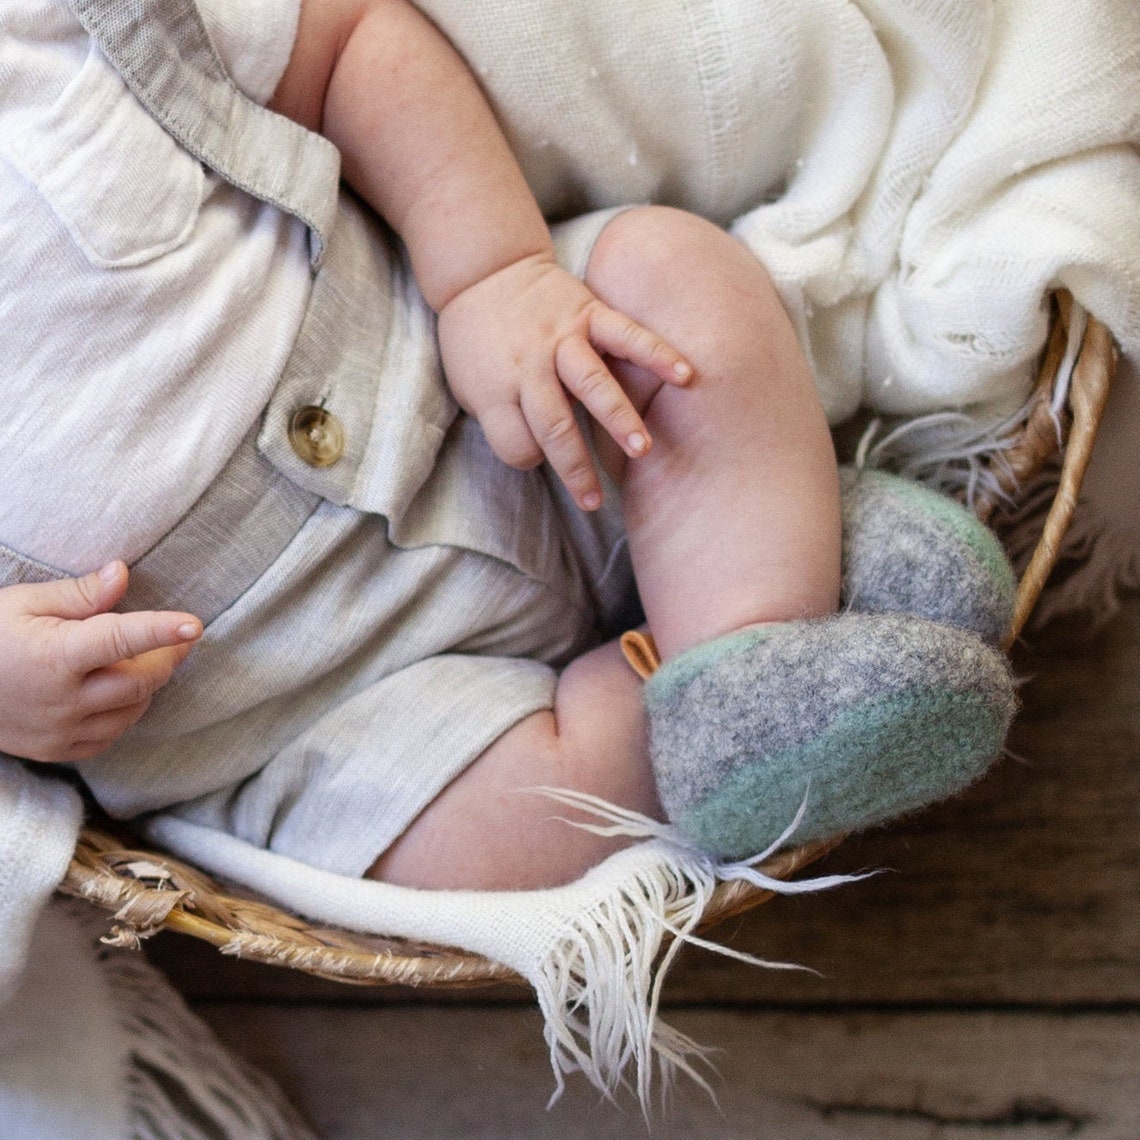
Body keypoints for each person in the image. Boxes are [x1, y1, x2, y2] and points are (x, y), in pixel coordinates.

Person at [0, 0, 1015, 891]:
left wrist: (491, 275)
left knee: (673, 281)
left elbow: (349, 44)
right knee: (498, 837)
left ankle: (757, 621)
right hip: (307, 710)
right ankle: (782, 670)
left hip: (493, 405)